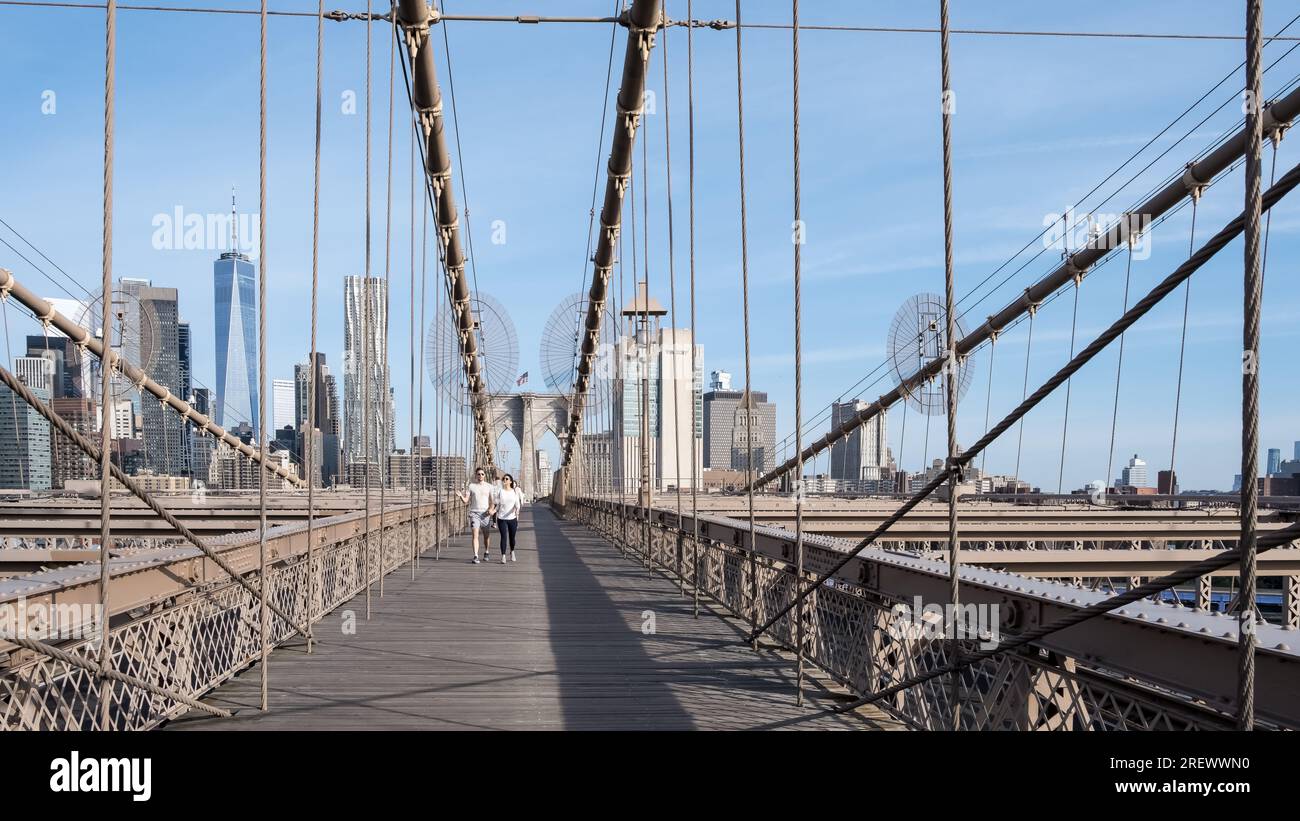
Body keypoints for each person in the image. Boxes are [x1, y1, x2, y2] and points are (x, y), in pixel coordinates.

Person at [460, 467, 494, 564]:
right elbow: (466, 500)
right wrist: (461, 497)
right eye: (478, 474)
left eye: (482, 474)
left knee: (486, 536)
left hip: (485, 514)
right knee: (475, 535)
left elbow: (492, 501)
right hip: (474, 513)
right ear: (475, 475)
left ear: (485, 475)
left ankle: (486, 551)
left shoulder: (489, 486)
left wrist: (491, 509)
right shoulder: (471, 486)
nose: (480, 476)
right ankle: (476, 556)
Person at [490, 473, 523, 564]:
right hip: (502, 518)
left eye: (506, 479)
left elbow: (518, 505)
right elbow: (497, 504)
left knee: (512, 538)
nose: (504, 480)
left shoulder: (514, 492)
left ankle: (512, 551)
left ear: (511, 481)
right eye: (504, 479)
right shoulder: (500, 492)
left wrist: (516, 510)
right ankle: (503, 556)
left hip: (512, 518)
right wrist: (493, 511)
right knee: (503, 536)